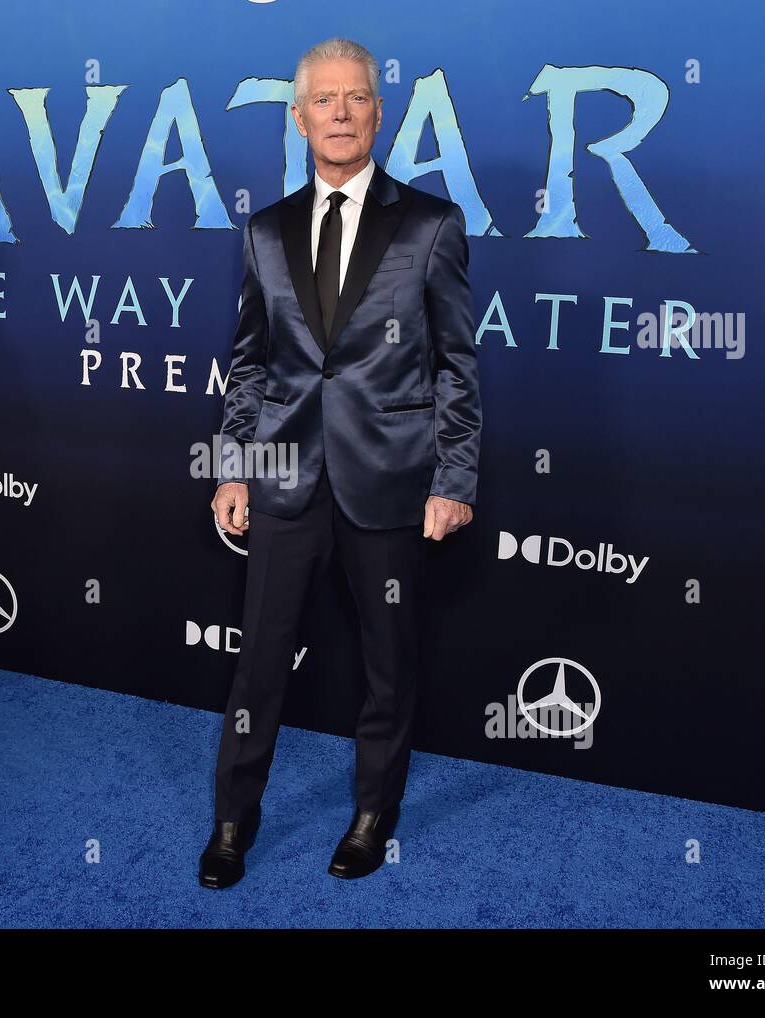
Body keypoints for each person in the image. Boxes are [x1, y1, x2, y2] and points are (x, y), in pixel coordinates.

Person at [200, 39, 481, 888]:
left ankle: (372, 811)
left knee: (387, 657)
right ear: (299, 117)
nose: (340, 114)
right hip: (285, 474)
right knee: (259, 661)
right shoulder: (264, 229)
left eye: (356, 98)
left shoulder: (431, 225)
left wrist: (453, 478)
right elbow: (250, 362)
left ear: (378, 111)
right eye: (323, 101)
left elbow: (457, 365)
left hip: (390, 477)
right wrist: (233, 466)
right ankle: (232, 817)